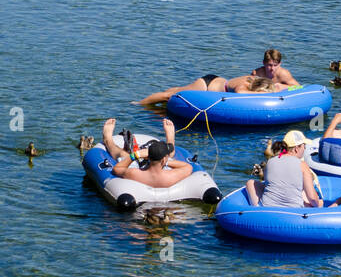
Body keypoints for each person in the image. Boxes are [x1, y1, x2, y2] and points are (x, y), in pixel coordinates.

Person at [135, 52, 295, 107]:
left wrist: (280, 88)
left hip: (215, 83)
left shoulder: (259, 80)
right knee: (169, 96)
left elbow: (290, 86)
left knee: (177, 90)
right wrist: (264, 96)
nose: (271, 68)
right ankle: (139, 104)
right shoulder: (246, 83)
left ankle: (171, 90)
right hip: (207, 86)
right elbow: (240, 93)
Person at [100, 116, 194, 190]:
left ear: (149, 157)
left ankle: (108, 140)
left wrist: (136, 155)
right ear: (163, 160)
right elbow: (188, 167)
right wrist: (167, 161)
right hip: (161, 168)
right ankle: (170, 140)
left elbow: (117, 169)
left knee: (123, 155)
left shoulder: (135, 173)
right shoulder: (172, 175)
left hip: (145, 171)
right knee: (170, 154)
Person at [245, 131, 322, 208]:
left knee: (250, 182)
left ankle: (256, 210)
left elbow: (267, 184)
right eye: (303, 146)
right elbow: (312, 198)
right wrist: (316, 205)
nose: (305, 148)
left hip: (266, 208)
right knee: (313, 198)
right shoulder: (302, 165)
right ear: (296, 149)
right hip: (293, 211)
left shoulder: (270, 161)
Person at [228, 49, 298, 90]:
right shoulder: (257, 74)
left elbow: (299, 87)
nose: (272, 68)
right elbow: (247, 87)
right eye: (270, 65)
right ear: (264, 63)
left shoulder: (283, 74)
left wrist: (283, 87)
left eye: (275, 65)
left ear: (280, 64)